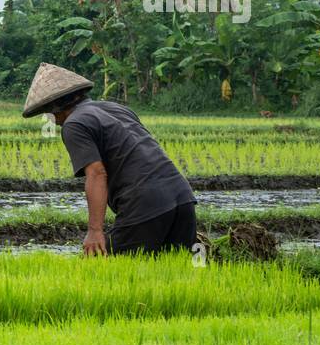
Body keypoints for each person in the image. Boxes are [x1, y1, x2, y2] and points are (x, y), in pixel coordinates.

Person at [21, 63, 196, 256]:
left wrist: (95, 231)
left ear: (55, 108)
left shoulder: (74, 124)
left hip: (145, 201)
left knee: (102, 267)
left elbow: (96, 173)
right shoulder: (117, 108)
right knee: (171, 269)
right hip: (182, 196)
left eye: (47, 113)